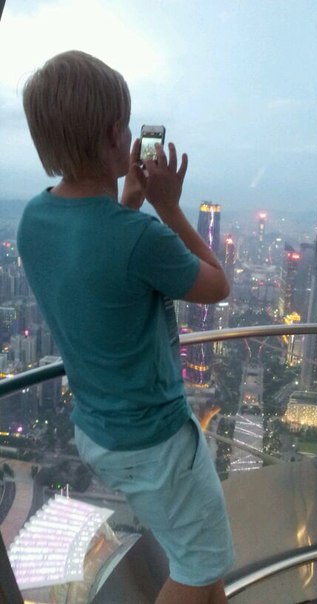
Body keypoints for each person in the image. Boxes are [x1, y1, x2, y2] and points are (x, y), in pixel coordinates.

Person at [17, 50, 234, 604]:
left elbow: (100, 266)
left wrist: (131, 202)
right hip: (155, 443)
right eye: (129, 125)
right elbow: (217, 285)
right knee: (197, 568)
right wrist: (169, 207)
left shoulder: (33, 219)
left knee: (202, 563)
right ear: (116, 134)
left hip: (97, 432)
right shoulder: (139, 238)